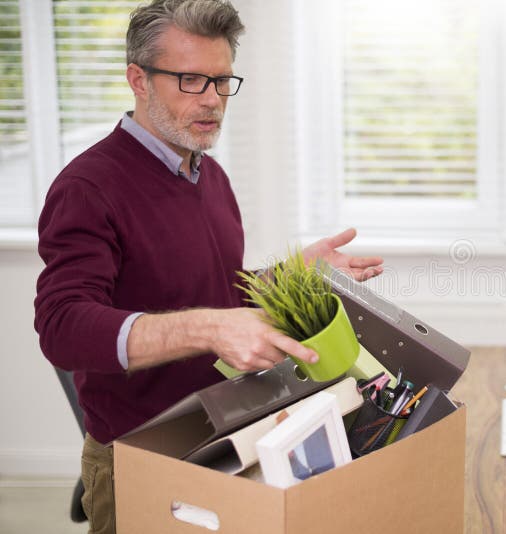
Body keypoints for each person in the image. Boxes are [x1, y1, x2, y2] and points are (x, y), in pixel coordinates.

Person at [33, 1, 383, 532]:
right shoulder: (89, 187)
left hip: (220, 436)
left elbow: (211, 289)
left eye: (221, 82)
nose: (213, 101)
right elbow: (62, 327)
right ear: (138, 79)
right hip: (140, 459)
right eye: (191, 80)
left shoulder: (209, 176)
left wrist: (287, 277)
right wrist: (209, 328)